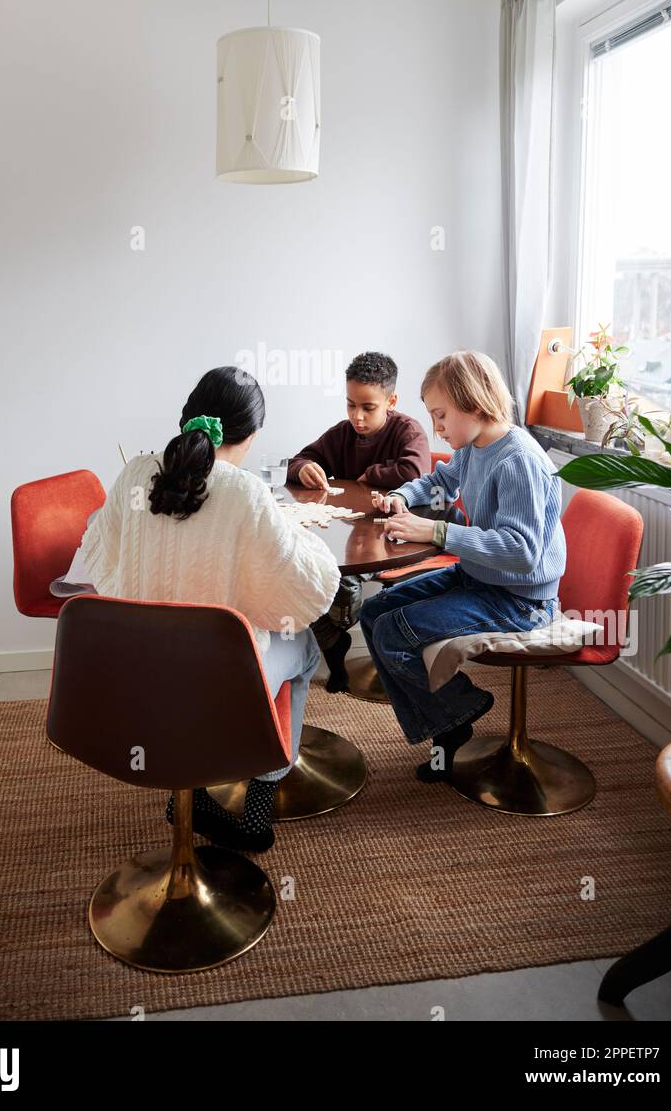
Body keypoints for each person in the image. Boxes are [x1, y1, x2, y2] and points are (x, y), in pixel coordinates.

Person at [74, 366, 340, 851]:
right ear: (252, 433)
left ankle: (190, 791)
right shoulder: (246, 493)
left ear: (187, 417)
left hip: (132, 675)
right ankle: (259, 808)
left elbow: (101, 558)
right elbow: (308, 588)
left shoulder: (135, 472)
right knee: (301, 643)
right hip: (220, 687)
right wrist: (295, 532)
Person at [360, 350, 566, 784]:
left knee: (393, 632)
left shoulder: (519, 462)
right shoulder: (475, 446)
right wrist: (403, 496)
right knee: (372, 613)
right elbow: (439, 482)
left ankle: (458, 712)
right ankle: (447, 722)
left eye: (440, 415)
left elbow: (522, 551)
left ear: (472, 404)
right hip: (479, 579)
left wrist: (435, 534)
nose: (435, 427)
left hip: (521, 601)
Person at [286, 352, 431, 692]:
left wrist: (371, 474)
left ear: (391, 401)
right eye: (350, 405)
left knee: (336, 590)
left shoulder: (408, 431)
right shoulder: (342, 433)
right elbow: (301, 458)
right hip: (346, 536)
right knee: (307, 576)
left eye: (368, 407)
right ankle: (337, 657)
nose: (357, 416)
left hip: (395, 536)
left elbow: (416, 472)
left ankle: (344, 627)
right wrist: (302, 468)